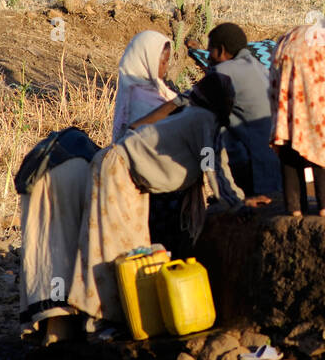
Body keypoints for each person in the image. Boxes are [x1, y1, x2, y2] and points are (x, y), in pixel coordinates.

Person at [71, 71, 246, 330]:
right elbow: (212, 166)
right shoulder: (202, 120)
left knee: (130, 244)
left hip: (123, 171)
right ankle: (103, 318)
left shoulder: (194, 114)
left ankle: (116, 315)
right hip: (118, 170)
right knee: (115, 246)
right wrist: (238, 203)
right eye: (230, 98)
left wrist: (235, 198)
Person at [135, 23, 278, 201]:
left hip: (255, 167)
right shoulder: (258, 67)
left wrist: (135, 127)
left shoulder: (222, 75)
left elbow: (176, 105)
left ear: (221, 51)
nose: (208, 58)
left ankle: (230, 197)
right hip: (274, 161)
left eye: (210, 51)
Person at [15, 127, 99, 344]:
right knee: (64, 249)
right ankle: (58, 329)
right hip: (69, 173)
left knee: (43, 248)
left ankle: (48, 323)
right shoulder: (97, 160)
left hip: (34, 176)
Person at [270, 23, 325, 217]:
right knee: (320, 135)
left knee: (288, 133)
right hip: (309, 67)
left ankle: (294, 206)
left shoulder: (299, 33)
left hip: (280, 58)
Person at [111, 31, 175, 143]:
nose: (166, 69)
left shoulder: (156, 89)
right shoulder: (138, 98)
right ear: (148, 61)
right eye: (163, 63)